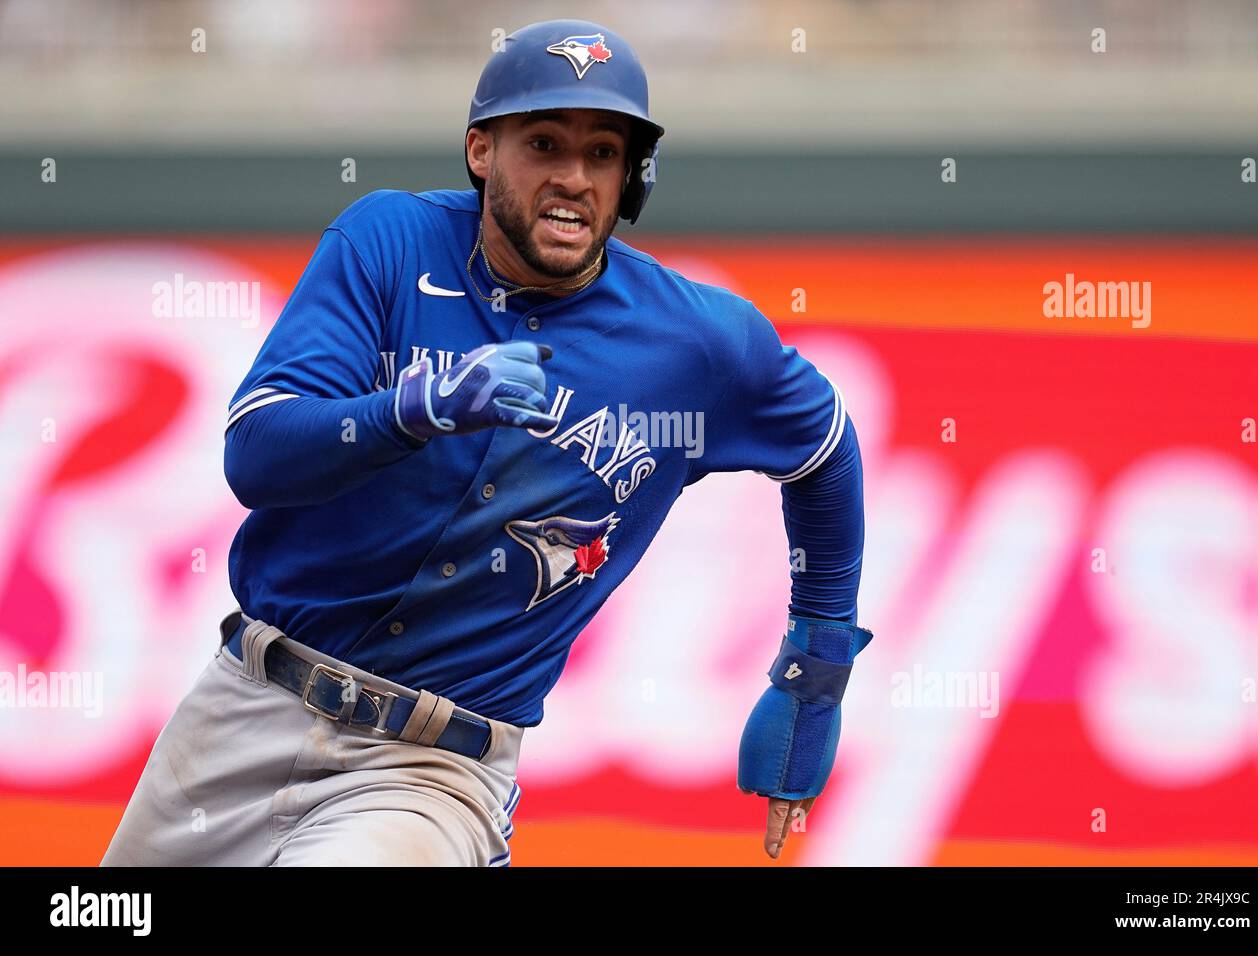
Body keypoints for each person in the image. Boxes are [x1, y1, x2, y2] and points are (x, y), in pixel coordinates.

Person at [102, 18, 872, 867]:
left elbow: (824, 451)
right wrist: (412, 408)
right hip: (242, 712)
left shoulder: (699, 343)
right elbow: (256, 456)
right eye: (544, 143)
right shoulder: (388, 243)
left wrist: (817, 660)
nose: (574, 177)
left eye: (604, 153)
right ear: (481, 151)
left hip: (430, 770)